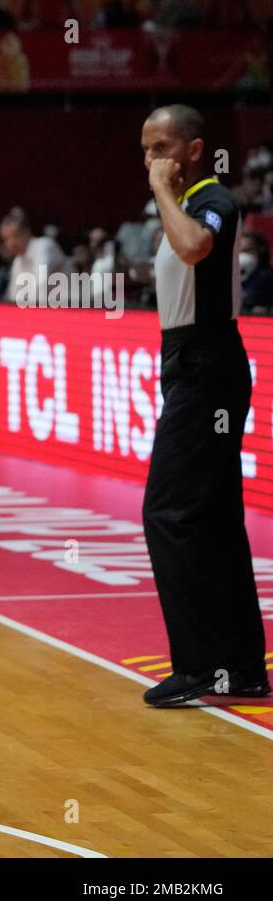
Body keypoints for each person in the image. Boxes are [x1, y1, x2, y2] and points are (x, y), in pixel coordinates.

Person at [139, 104, 270, 706]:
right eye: (144, 150)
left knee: (167, 513)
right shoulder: (183, 201)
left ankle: (196, 665)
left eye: (162, 147)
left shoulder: (211, 197)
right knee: (215, 519)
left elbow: (193, 248)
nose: (151, 161)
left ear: (194, 149)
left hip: (206, 364)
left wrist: (164, 190)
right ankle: (241, 667)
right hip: (188, 362)